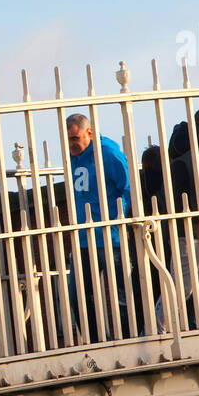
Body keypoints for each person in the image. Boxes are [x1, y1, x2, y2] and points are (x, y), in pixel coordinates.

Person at [65, 115, 133, 340]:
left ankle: (129, 339)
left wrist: (119, 218)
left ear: (90, 133)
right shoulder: (73, 156)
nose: (72, 144)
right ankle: (96, 342)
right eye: (68, 140)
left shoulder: (108, 153)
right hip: (84, 238)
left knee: (122, 295)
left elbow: (129, 188)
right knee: (79, 296)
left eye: (75, 138)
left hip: (110, 236)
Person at [156, 108, 199, 331]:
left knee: (185, 284)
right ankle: (157, 330)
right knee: (183, 285)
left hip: (188, 225)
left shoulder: (183, 149)